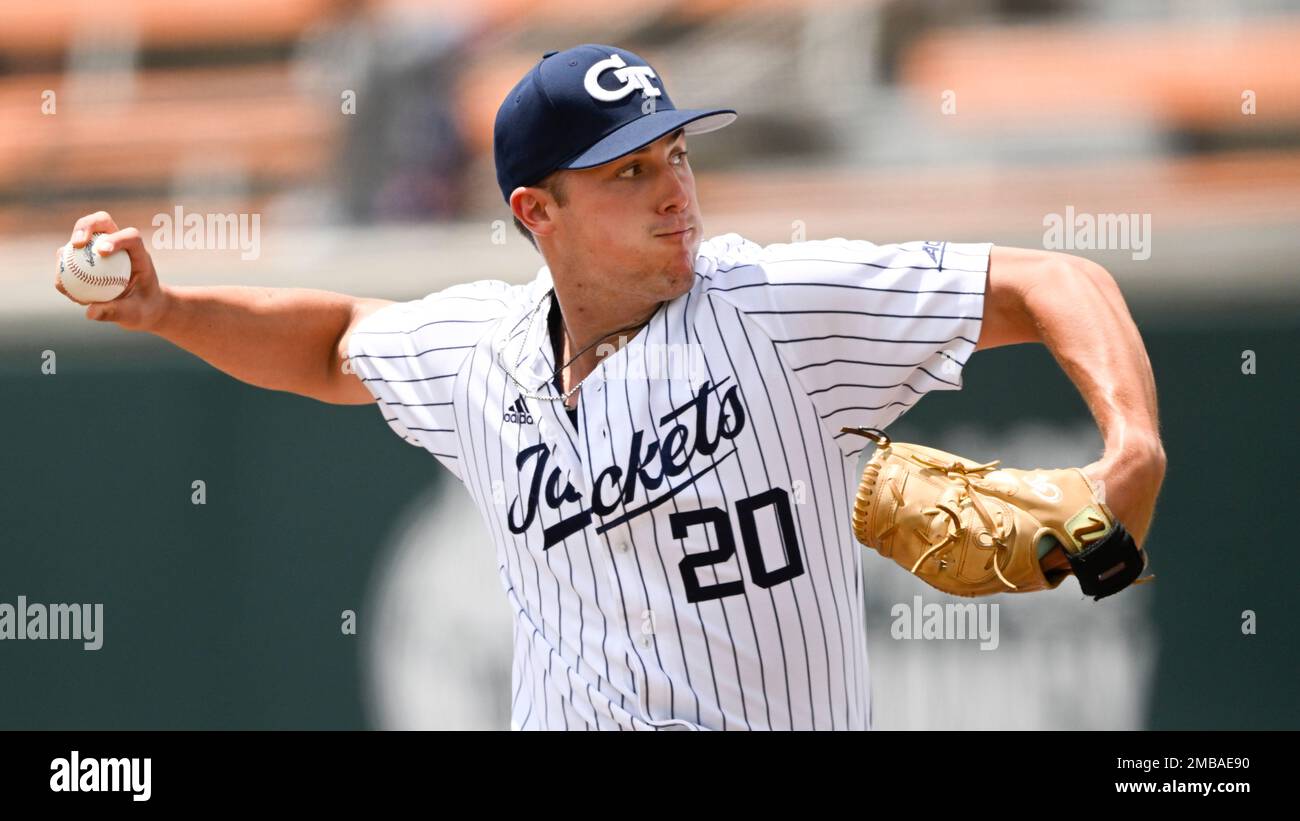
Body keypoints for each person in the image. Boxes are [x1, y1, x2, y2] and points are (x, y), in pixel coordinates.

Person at [56, 43, 1166, 730]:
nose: (673, 189)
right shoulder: (483, 355)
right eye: (629, 171)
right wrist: (166, 307)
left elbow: (1053, 277)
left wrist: (1131, 448)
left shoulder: (770, 306)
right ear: (537, 210)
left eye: (676, 155)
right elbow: (334, 340)